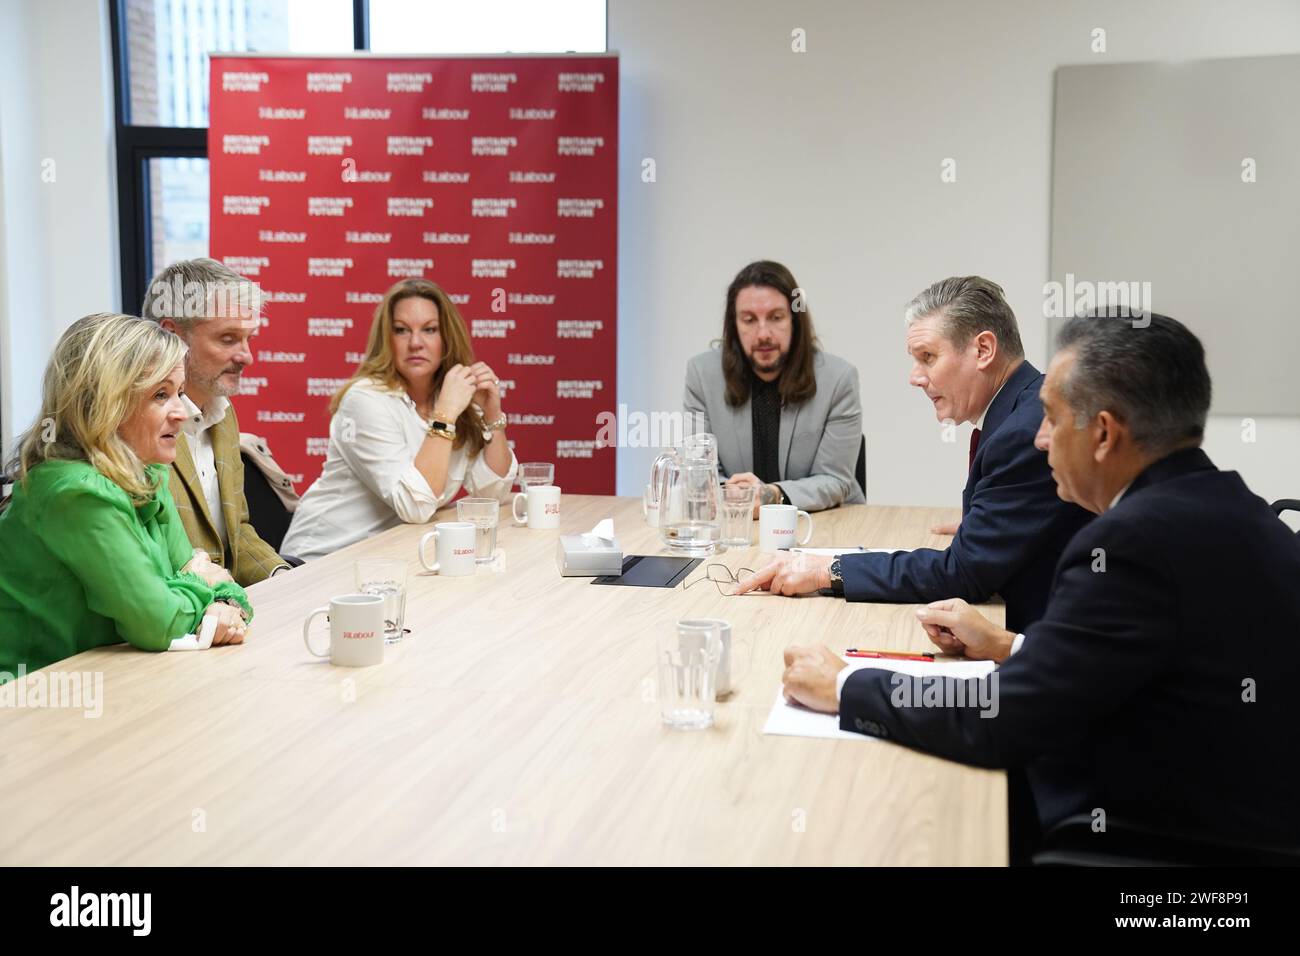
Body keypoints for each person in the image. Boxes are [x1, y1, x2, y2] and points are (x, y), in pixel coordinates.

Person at [780, 312, 1300, 848]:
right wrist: (1014, 646)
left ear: (1102, 433)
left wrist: (846, 686)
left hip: (1151, 841)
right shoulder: (1236, 506)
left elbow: (1001, 721)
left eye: (1051, 418)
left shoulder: (1129, 545)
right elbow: (1154, 660)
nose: (1041, 439)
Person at [739, 276, 1091, 632]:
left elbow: (962, 574)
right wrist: (987, 521)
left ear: (983, 350)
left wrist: (825, 571)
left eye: (928, 357)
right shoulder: (1020, 409)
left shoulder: (1021, 433)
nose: (915, 377)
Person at [0, 314, 253, 676]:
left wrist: (224, 596)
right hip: (33, 701)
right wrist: (202, 584)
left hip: (115, 682)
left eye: (179, 393)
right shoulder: (74, 492)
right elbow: (157, 622)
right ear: (105, 404)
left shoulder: (147, 474)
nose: (181, 413)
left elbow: (215, 585)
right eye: (160, 395)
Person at [282, 279, 517, 559]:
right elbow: (415, 506)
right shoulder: (366, 399)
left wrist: (492, 414)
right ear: (387, 339)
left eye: (429, 330)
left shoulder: (451, 397)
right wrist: (445, 415)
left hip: (390, 556)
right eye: (402, 330)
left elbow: (492, 494)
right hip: (323, 558)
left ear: (447, 338)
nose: (416, 343)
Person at [141, 257, 290, 584]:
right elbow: (153, 564)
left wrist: (283, 578)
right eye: (228, 339)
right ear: (173, 337)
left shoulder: (222, 414)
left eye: (249, 338)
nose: (247, 356)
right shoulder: (137, 427)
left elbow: (237, 534)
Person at [683, 260, 863, 514]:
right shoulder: (702, 374)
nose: (763, 334)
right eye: (749, 320)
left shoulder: (838, 379)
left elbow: (835, 480)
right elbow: (698, 473)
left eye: (776, 318)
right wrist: (737, 496)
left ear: (795, 321)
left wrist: (770, 495)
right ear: (734, 326)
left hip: (821, 521)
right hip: (735, 525)